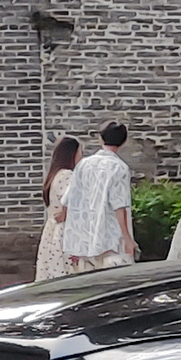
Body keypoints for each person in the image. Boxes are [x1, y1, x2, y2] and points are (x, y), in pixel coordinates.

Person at [61, 120, 136, 272]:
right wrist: (128, 239)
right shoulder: (119, 168)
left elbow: (68, 200)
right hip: (109, 240)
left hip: (82, 240)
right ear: (123, 142)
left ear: (100, 139)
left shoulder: (83, 165)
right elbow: (119, 206)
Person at [37, 136, 80, 281]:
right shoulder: (67, 175)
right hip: (63, 232)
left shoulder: (56, 174)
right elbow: (71, 200)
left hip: (53, 231)